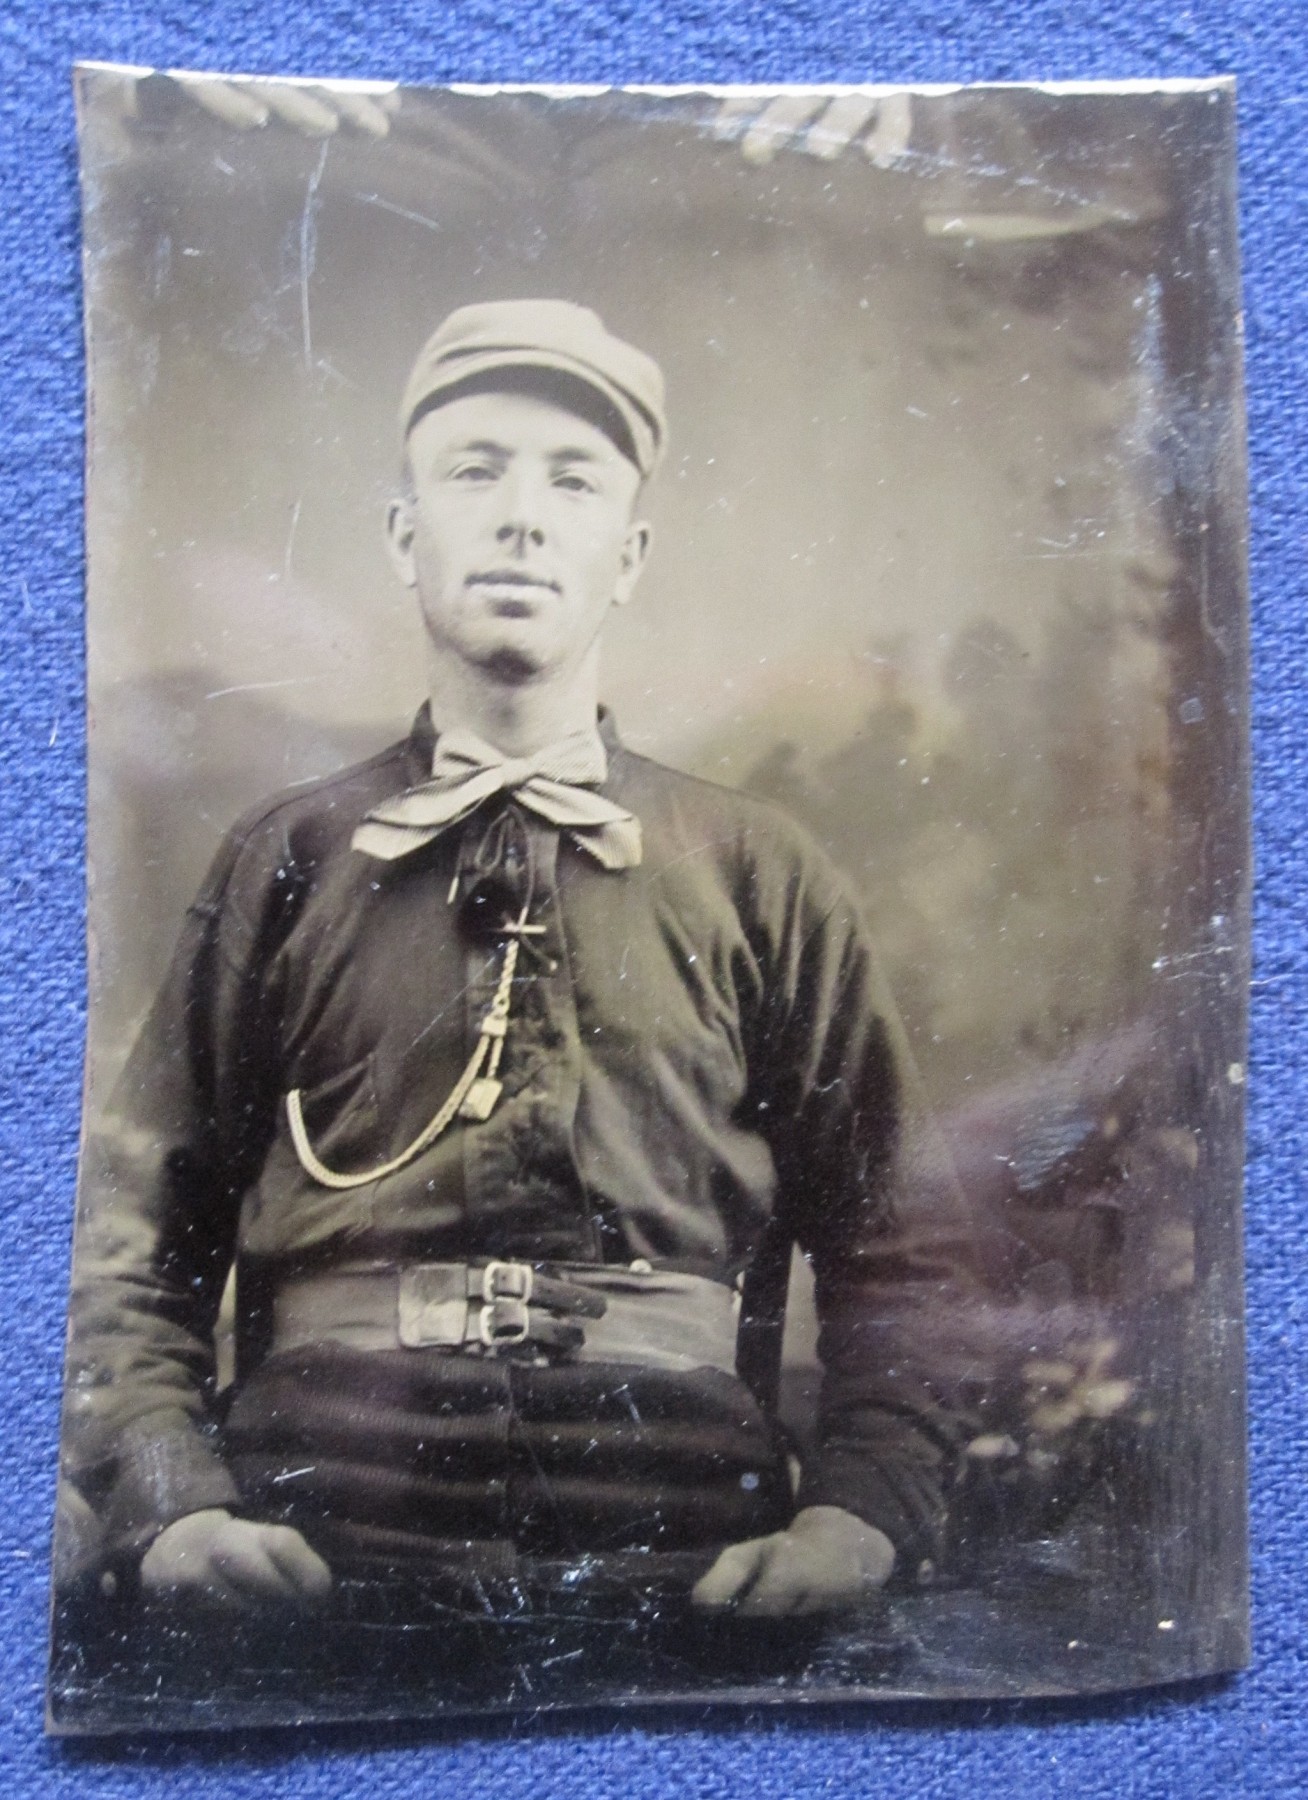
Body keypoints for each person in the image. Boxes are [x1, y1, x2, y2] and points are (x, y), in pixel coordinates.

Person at [61, 300, 957, 1630]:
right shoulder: (287, 856)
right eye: (475, 471)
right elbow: (134, 1233)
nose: (522, 519)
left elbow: (900, 1251)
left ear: (628, 554)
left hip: (684, 1560)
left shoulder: (758, 872)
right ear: (403, 534)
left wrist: (862, 1512)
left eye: (573, 481)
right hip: (316, 1561)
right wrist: (172, 1502)